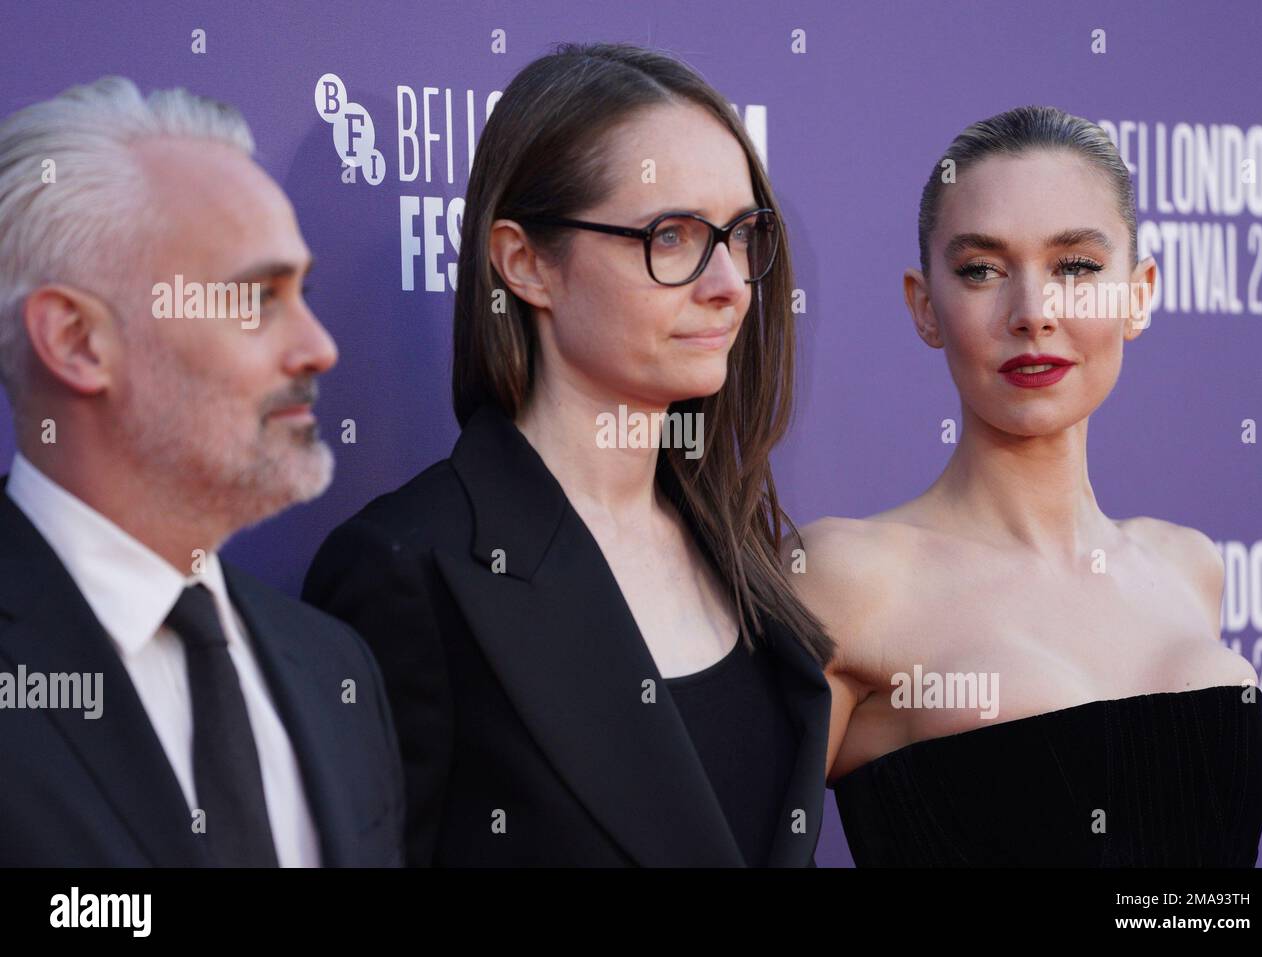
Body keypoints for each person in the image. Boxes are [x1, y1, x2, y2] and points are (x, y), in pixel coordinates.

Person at [303, 42, 833, 867]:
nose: (729, 281)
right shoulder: (406, 572)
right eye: (673, 235)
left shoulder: (742, 551)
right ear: (524, 264)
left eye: (741, 234)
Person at [790, 105, 1262, 866]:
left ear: (1139, 294)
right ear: (925, 306)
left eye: (1076, 266)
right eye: (982, 269)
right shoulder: (847, 578)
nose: (1033, 313)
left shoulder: (1189, 567)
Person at [0, 77, 403, 866]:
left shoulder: (334, 667)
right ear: (77, 340)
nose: (319, 347)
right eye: (257, 299)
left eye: (305, 292)